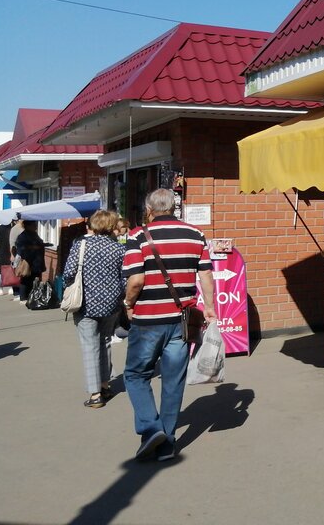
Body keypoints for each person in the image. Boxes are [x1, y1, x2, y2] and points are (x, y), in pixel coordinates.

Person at [122, 189, 216, 462]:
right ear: (174, 208)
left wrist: (128, 304)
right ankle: (167, 445)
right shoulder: (195, 234)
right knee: (173, 380)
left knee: (136, 375)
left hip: (147, 320)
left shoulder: (138, 236)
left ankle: (151, 429)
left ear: (149, 209)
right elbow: (206, 275)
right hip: (181, 321)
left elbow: (136, 281)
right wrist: (209, 307)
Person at [62, 211, 125, 408]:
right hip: (111, 304)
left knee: (90, 345)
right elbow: (125, 278)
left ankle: (95, 394)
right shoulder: (119, 249)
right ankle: (105, 385)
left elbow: (68, 273)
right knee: (105, 341)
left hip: (85, 303)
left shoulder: (81, 245)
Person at [15, 220, 46, 305]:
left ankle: (34, 296)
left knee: (36, 279)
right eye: (34, 225)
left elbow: (39, 242)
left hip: (37, 261)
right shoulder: (23, 236)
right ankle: (23, 298)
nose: (36, 226)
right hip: (28, 262)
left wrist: (43, 244)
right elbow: (21, 248)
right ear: (28, 226)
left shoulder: (34, 234)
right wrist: (34, 247)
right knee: (26, 279)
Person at [0, 219, 11, 295]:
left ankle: (0, 289)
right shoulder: (11, 229)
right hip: (10, 253)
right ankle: (11, 288)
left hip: (0, 253)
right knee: (11, 270)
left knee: (0, 271)